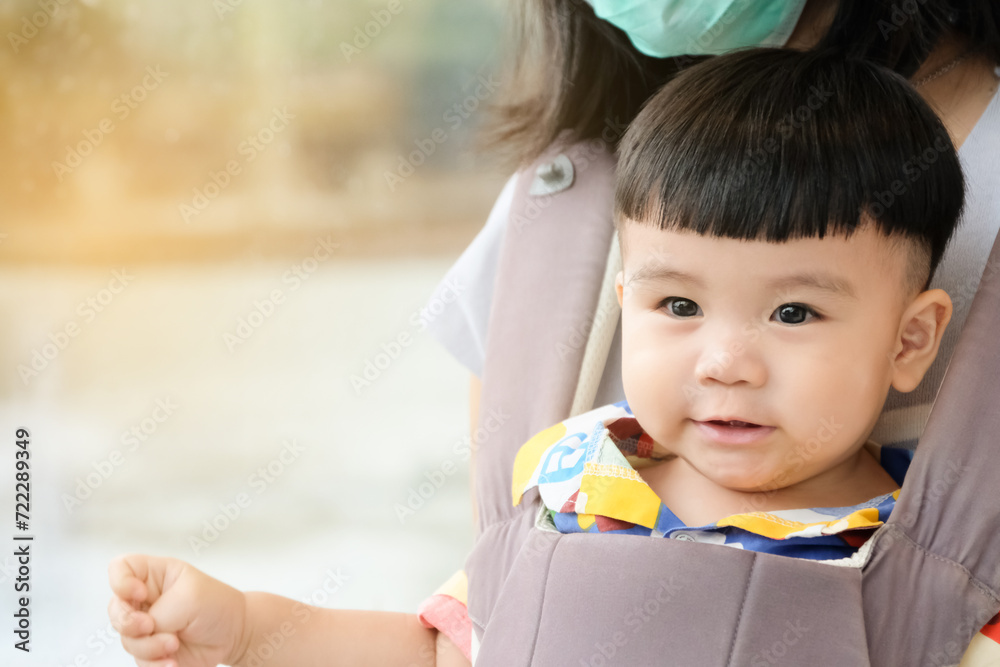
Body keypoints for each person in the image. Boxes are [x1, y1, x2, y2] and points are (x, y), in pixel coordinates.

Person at [107, 47, 998, 666]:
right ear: (626, 308)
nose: (727, 361)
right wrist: (247, 627)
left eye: (794, 311)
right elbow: (441, 646)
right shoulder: (571, 486)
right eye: (679, 305)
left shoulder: (930, 563)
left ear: (911, 339)